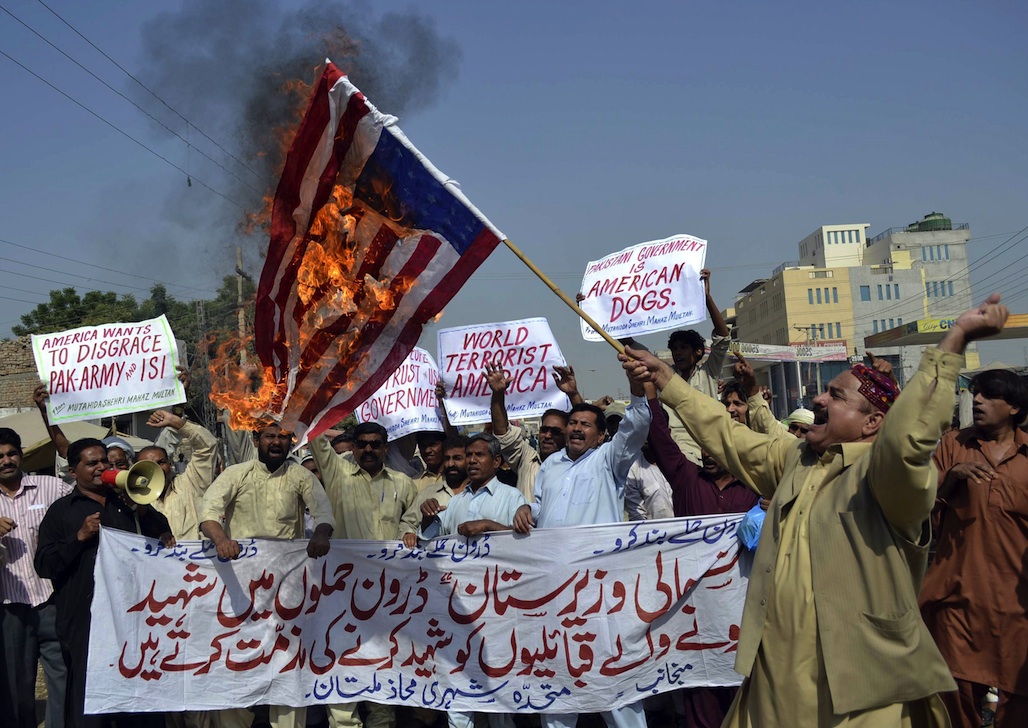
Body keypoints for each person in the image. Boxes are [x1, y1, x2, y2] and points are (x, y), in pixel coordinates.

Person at [620, 294, 1011, 727]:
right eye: (824, 392)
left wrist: (953, 341)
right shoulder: (797, 459)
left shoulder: (888, 479)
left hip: (861, 688)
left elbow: (906, 440)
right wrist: (668, 380)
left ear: (872, 423)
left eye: (836, 395)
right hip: (776, 679)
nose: (819, 400)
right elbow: (727, 434)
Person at [512, 359, 650, 728]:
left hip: (598, 590)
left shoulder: (609, 460)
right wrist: (526, 509)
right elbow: (541, 509)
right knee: (557, 673)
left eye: (585, 425)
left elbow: (637, 425)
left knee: (612, 675)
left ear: (601, 436)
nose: (575, 428)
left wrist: (636, 387)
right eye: (572, 422)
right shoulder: (551, 465)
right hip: (554, 589)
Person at [200, 422, 334, 728]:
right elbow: (209, 513)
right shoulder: (236, 473)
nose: (276, 442)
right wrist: (221, 540)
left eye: (283, 437)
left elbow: (324, 513)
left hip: (287, 589)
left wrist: (321, 534)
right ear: (255, 439)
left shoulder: (299, 475)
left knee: (288, 665)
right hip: (242, 587)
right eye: (270, 436)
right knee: (235, 665)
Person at [35, 438, 173, 728]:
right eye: (92, 463)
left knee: (137, 691)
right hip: (84, 620)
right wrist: (79, 538)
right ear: (73, 472)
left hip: (132, 616)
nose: (101, 468)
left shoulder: (127, 502)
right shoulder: (61, 511)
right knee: (88, 694)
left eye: (104, 462)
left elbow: (163, 536)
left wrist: (142, 509)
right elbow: (44, 564)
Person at [920, 368, 1028, 727]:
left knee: (1017, 695)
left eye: (988, 395)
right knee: (955, 687)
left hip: (1016, 602)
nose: (977, 400)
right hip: (957, 592)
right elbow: (919, 504)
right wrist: (951, 478)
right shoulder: (953, 445)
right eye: (975, 393)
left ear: (1014, 407)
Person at [310, 422, 416, 728]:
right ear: (354, 448)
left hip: (387, 595)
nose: (368, 449)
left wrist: (408, 532)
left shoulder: (403, 484)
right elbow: (315, 438)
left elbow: (410, 521)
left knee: (384, 668)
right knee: (341, 664)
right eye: (362, 444)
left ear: (385, 448)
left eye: (375, 444)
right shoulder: (337, 474)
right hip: (341, 595)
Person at [418, 434, 525, 728]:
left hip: (497, 608)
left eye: (480, 455)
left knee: (497, 696)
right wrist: (427, 517)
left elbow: (525, 547)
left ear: (497, 461)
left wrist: (489, 526)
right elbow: (432, 543)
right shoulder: (456, 502)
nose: (472, 461)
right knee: (457, 691)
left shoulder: (512, 497)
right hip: (459, 608)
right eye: (469, 455)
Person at [0, 423, 69, 728]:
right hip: (9, 605)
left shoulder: (50, 487)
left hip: (51, 598)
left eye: (11, 453)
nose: (6, 461)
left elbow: (81, 494)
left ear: (21, 454)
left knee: (62, 676)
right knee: (16, 684)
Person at [664, 268, 732, 464]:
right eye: (674, 349)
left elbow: (723, 338)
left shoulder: (708, 373)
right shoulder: (667, 378)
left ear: (698, 352)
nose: (678, 353)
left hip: (706, 453)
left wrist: (707, 297)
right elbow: (636, 352)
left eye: (684, 348)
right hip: (674, 453)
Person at [484, 362, 576, 501]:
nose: (548, 436)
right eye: (544, 430)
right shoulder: (527, 460)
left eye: (555, 432)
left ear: (568, 436)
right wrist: (498, 394)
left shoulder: (576, 465)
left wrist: (573, 394)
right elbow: (503, 434)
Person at [140, 409, 219, 542]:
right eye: (149, 466)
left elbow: (207, 446)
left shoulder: (191, 484)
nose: (156, 469)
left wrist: (174, 421)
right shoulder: (136, 501)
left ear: (170, 464)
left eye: (161, 463)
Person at [401, 436, 469, 548]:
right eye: (447, 458)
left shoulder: (480, 492)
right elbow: (407, 524)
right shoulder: (429, 492)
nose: (450, 464)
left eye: (457, 458)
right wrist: (408, 534)